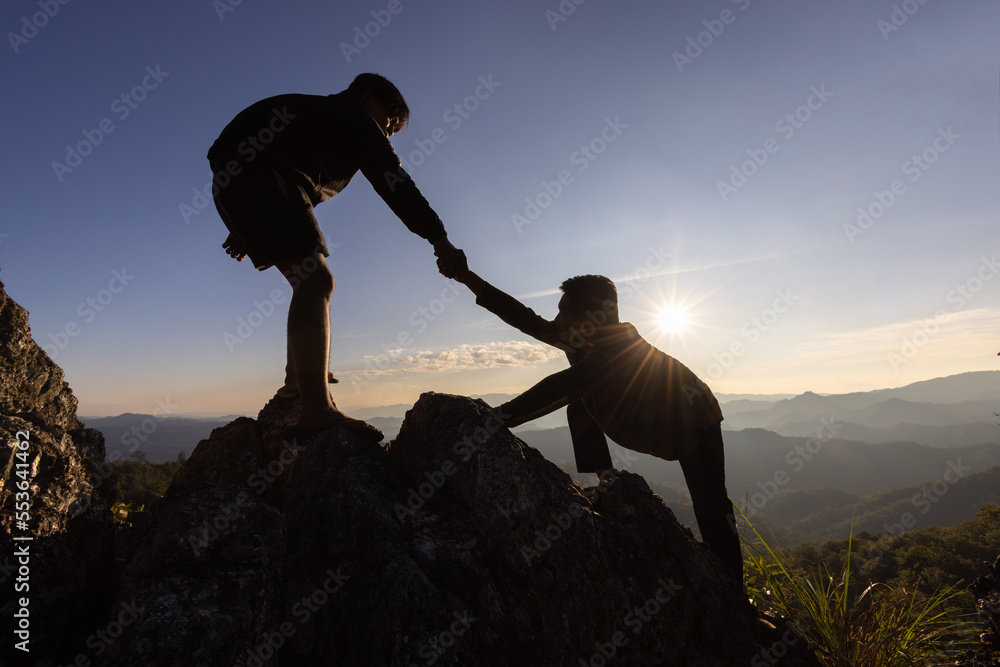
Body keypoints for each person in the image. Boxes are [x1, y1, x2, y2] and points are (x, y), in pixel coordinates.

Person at [442, 263, 742, 579]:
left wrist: (497, 417)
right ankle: (606, 475)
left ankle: (736, 593)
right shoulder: (579, 339)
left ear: (589, 319)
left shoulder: (618, 348)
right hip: (639, 419)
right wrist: (467, 277)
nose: (556, 320)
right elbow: (525, 319)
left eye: (563, 312)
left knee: (711, 504)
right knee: (580, 404)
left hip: (694, 422)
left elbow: (560, 386)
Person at [208, 73, 465, 441]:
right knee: (316, 280)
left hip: (239, 179)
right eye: (389, 120)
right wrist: (439, 239)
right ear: (366, 97)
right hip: (266, 177)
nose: (388, 132)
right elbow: (394, 182)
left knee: (306, 279)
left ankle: (296, 382)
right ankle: (315, 410)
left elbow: (255, 153)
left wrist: (243, 221)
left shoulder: (317, 114)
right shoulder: (352, 117)